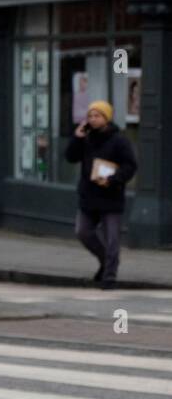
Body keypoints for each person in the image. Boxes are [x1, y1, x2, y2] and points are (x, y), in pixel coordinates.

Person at [65, 101, 138, 289]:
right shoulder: (86, 138)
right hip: (89, 195)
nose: (93, 119)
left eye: (97, 116)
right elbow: (71, 157)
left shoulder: (119, 140)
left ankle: (110, 277)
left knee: (113, 238)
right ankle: (105, 261)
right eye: (90, 116)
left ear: (106, 118)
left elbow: (130, 165)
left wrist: (114, 178)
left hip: (110, 195)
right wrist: (77, 138)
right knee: (83, 231)